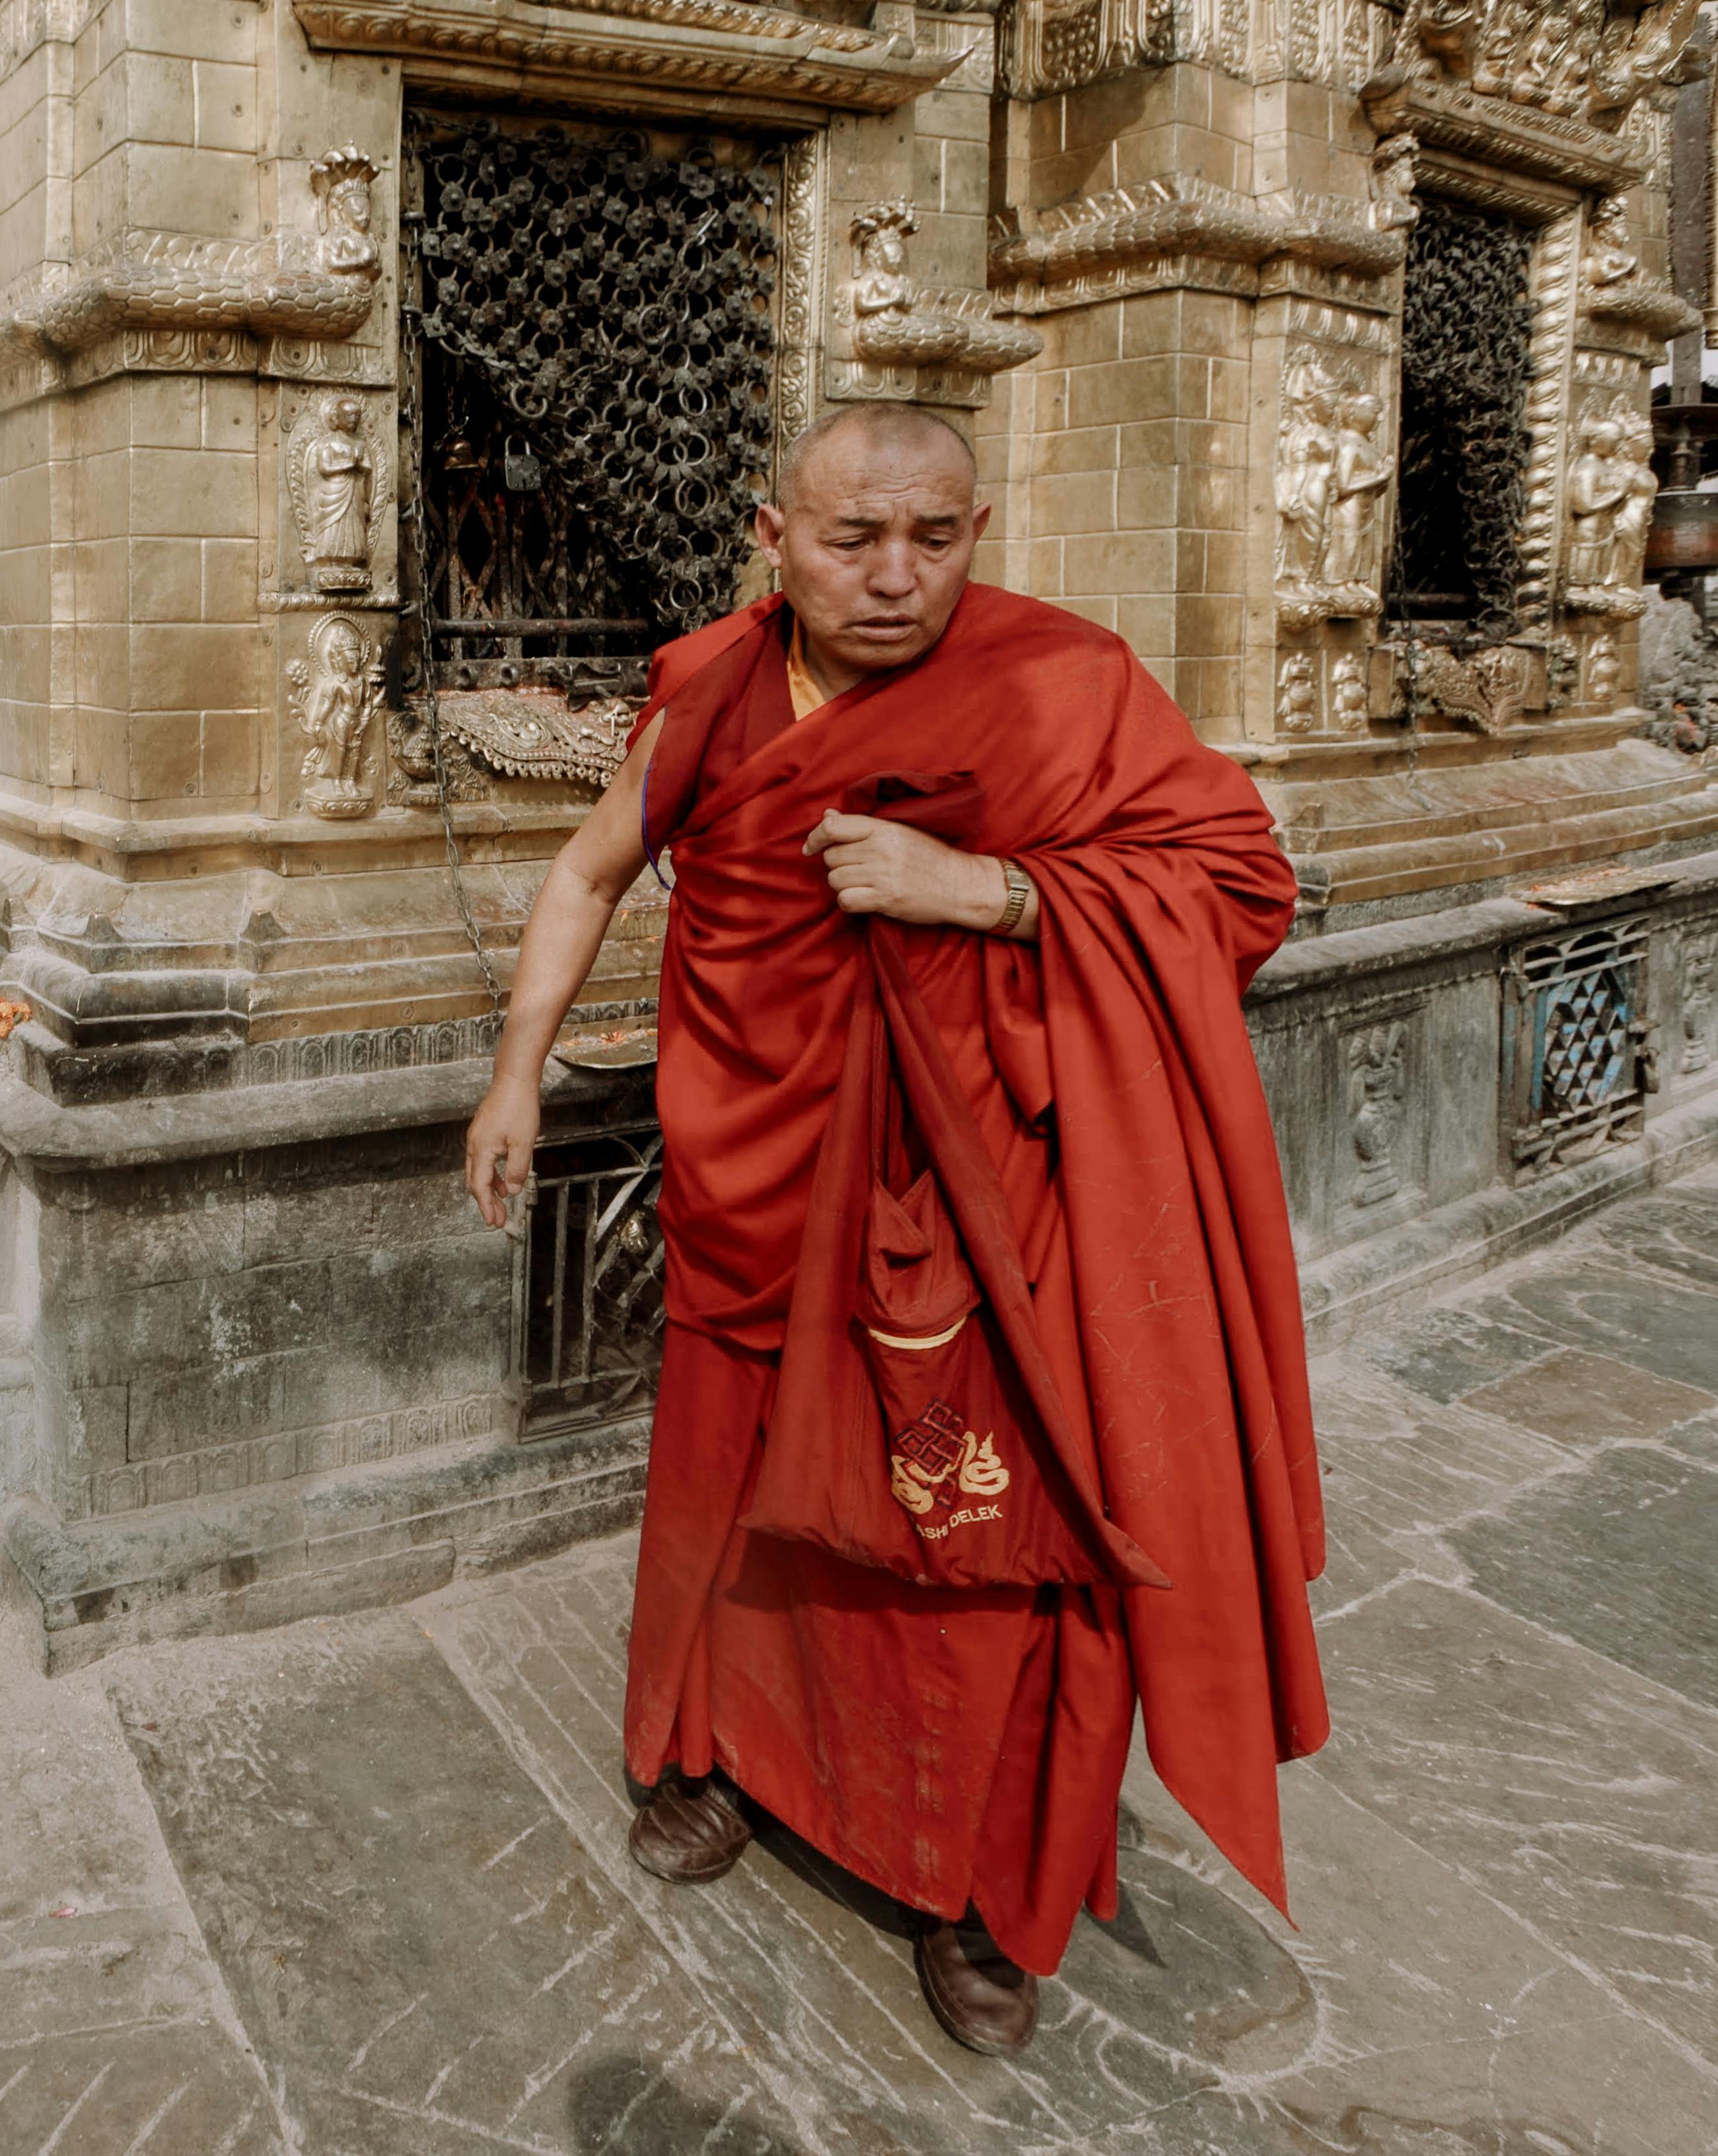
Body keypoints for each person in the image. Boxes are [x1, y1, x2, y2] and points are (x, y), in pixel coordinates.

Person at [463, 404, 1327, 2055]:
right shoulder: (712, 687)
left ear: (978, 530)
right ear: (770, 538)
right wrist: (512, 1079)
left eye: (934, 537)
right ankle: (714, 1768)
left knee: (979, 1550)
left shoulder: (1059, 684)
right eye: (851, 538)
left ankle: (979, 1898)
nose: (892, 576)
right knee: (731, 1506)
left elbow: (1239, 881)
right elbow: (588, 873)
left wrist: (988, 892)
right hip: (752, 1183)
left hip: (968, 1218)